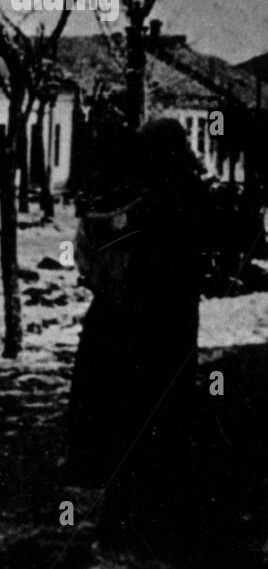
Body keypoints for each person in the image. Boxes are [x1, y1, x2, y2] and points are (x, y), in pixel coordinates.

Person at [66, 117, 208, 545]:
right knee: (158, 414)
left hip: (132, 321)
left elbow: (92, 257)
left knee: (123, 415)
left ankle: (123, 514)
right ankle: (149, 514)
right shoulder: (185, 195)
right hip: (171, 322)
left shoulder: (143, 201)